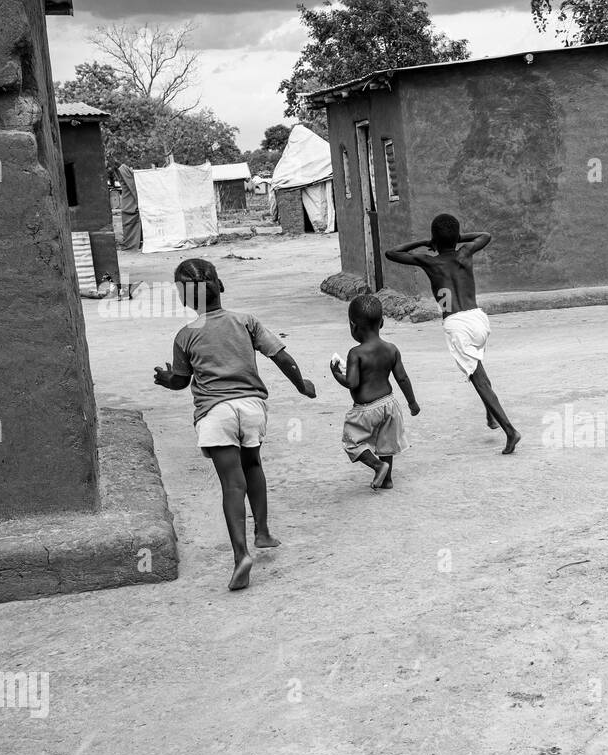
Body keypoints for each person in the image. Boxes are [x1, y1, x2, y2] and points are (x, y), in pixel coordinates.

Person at [153, 259, 316, 591]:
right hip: (251, 408)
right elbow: (282, 357)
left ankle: (241, 554)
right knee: (253, 464)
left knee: (232, 485)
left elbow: (181, 382)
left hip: (215, 414)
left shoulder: (186, 335)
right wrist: (302, 385)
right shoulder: (246, 321)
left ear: (185, 297)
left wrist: (166, 377)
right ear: (221, 285)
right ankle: (264, 532)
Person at [384, 213, 521, 454]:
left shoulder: (430, 261)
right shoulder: (465, 253)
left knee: (477, 379)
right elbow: (485, 235)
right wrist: (458, 238)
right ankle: (491, 415)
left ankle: (510, 430)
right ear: (457, 237)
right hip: (479, 319)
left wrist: (425, 242)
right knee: (478, 370)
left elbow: (392, 253)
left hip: (457, 325)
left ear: (434, 240)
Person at [330, 293, 420, 490]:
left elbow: (352, 383)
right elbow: (402, 378)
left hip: (366, 409)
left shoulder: (356, 353)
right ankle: (387, 479)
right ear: (382, 323)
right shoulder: (391, 349)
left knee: (352, 442)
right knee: (385, 443)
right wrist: (412, 403)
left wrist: (336, 374)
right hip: (389, 403)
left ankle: (378, 466)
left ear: (353, 326)